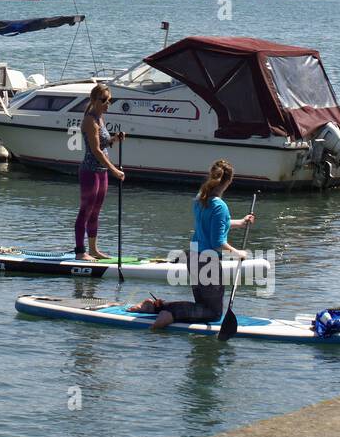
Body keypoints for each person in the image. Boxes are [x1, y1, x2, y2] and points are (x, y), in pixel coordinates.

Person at [130, 159, 253, 329]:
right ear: (229, 181)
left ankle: (155, 306)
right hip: (208, 261)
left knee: (203, 306)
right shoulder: (220, 206)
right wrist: (239, 253)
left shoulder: (200, 199)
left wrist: (239, 223)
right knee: (214, 313)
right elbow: (218, 242)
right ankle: (170, 313)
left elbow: (213, 223)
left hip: (194, 256)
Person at [74, 83, 125, 261]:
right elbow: (95, 150)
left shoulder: (100, 118)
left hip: (101, 170)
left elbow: (103, 144)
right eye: (103, 100)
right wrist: (114, 170)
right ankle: (80, 252)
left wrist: (115, 139)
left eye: (109, 100)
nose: (107, 103)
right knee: (85, 211)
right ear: (94, 100)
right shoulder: (90, 120)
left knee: (96, 212)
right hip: (90, 171)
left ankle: (94, 250)